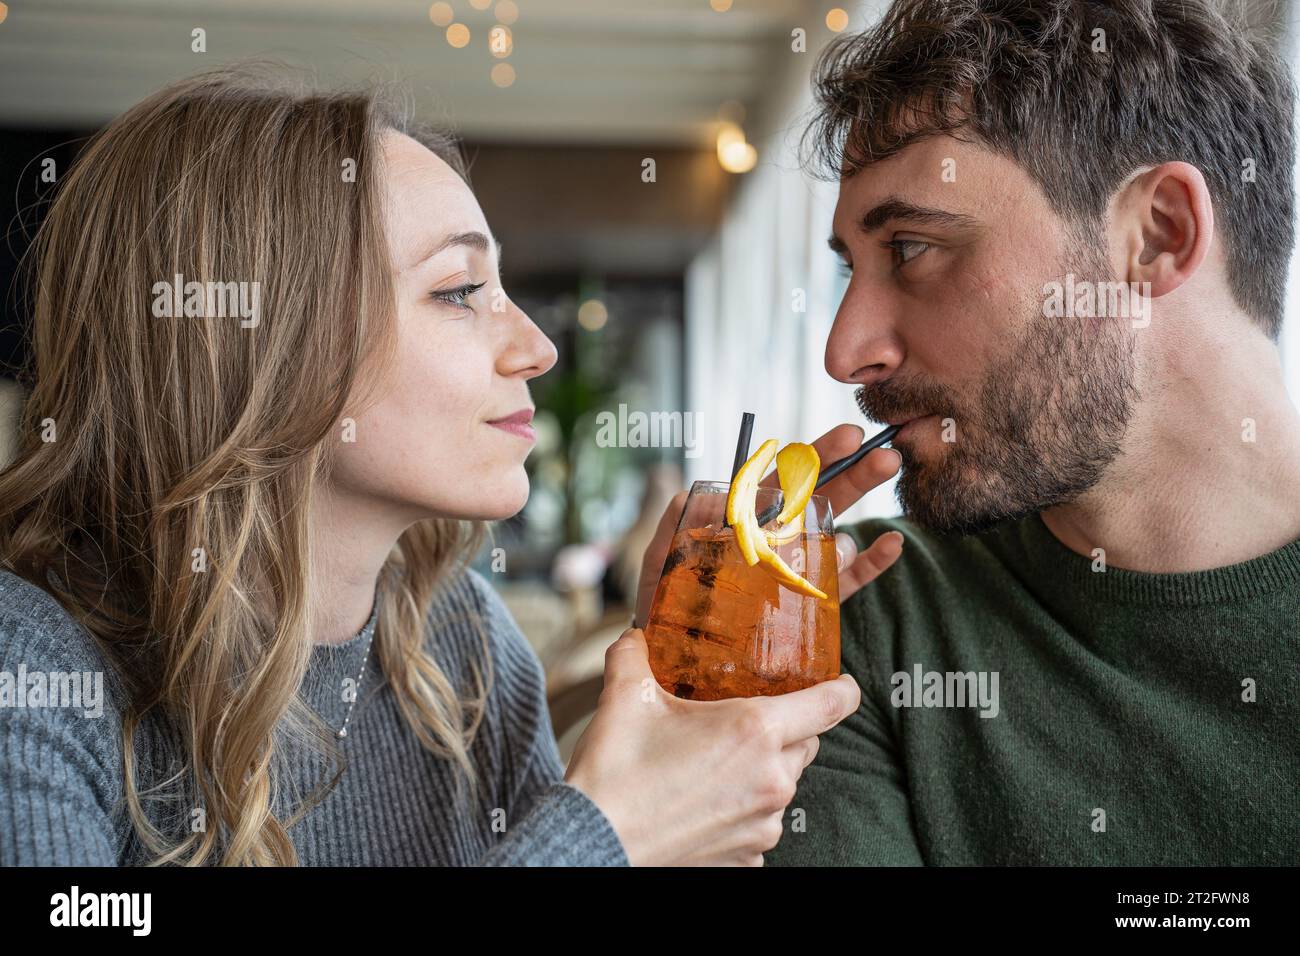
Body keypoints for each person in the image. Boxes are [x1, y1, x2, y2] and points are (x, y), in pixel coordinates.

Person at [0, 67, 904, 866]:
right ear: (259, 345)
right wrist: (605, 841)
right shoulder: (32, 669)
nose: (540, 348)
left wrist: (681, 659)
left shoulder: (459, 642)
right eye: (459, 292)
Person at [642, 0, 1300, 865]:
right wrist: (694, 682)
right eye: (851, 268)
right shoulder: (854, 617)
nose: (845, 354)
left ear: (1158, 235)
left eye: (912, 248)